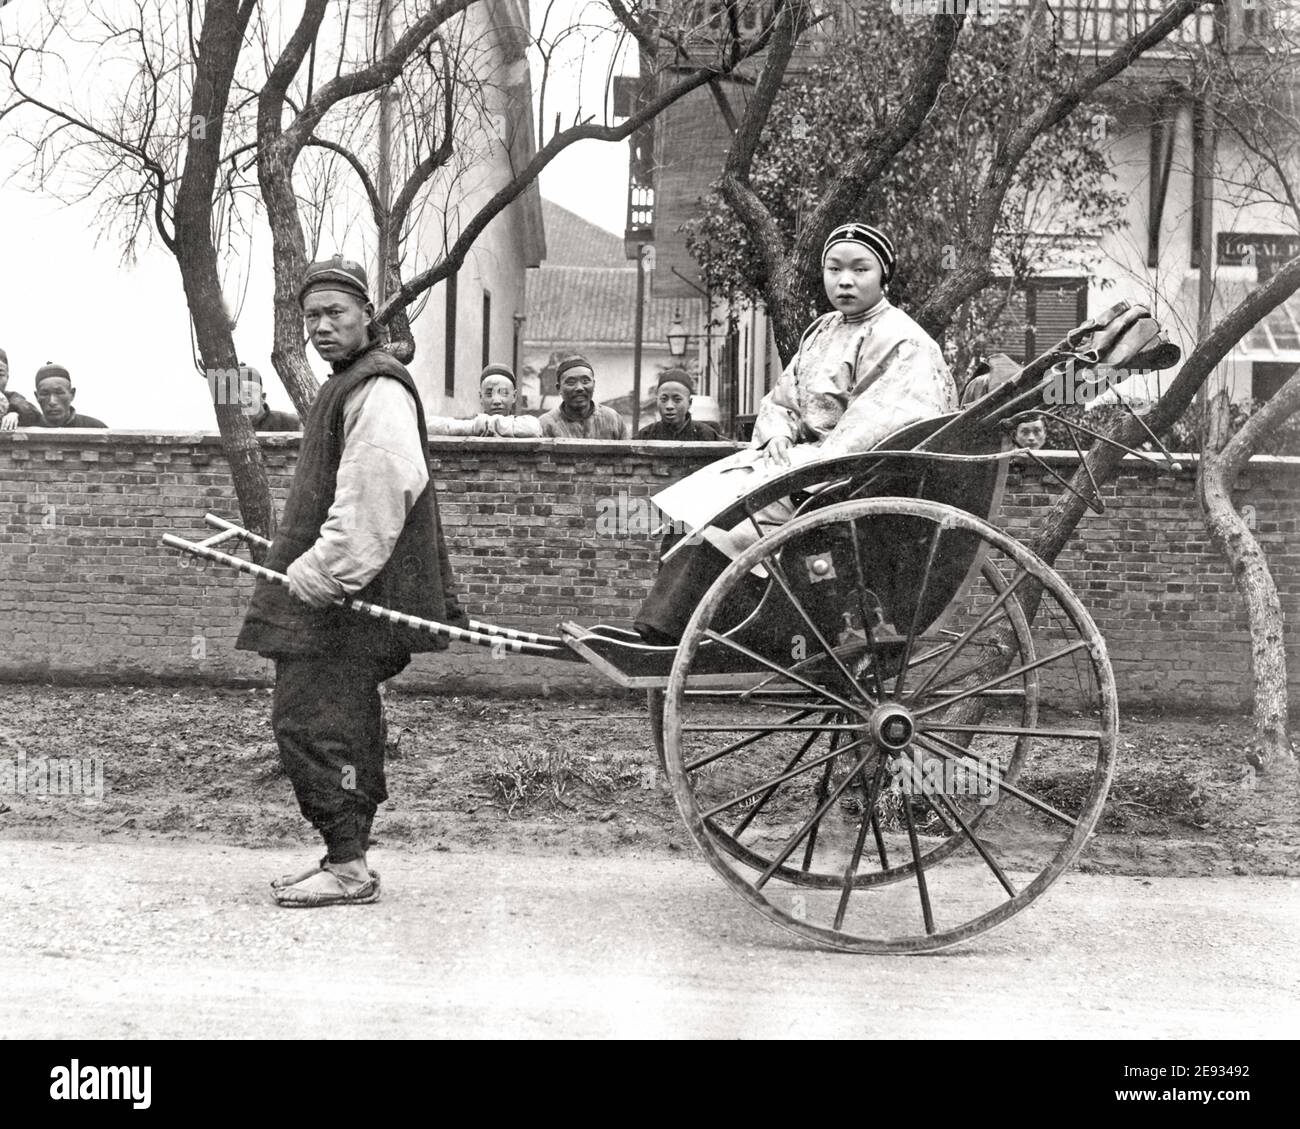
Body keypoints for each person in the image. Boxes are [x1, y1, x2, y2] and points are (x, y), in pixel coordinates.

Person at [235, 255, 466, 908]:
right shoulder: (347, 383)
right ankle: (347, 857)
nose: (322, 326)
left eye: (336, 312)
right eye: (311, 317)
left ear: (369, 314)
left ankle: (348, 864)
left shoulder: (377, 385)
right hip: (341, 595)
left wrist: (323, 570)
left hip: (343, 595)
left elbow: (380, 488)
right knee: (342, 719)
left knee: (308, 719)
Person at [633, 221, 957, 644]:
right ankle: (672, 632)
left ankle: (700, 636)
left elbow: (877, 425)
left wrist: (812, 467)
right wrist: (779, 434)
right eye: (833, 269)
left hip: (846, 476)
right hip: (798, 459)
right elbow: (783, 399)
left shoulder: (902, 340)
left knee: (725, 525)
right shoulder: (822, 331)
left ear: (883, 277)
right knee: (690, 513)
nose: (844, 280)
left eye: (860, 269)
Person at [425, 364, 542, 437]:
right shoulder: (471, 421)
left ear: (514, 396)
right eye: (489, 393)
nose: (496, 400)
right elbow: (429, 425)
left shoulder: (523, 423)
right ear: (480, 397)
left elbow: (533, 428)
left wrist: (484, 425)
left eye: (504, 393)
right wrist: (477, 425)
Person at [538, 355, 630, 439]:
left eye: (585, 381)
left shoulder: (612, 419)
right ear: (559, 388)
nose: (579, 388)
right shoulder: (546, 424)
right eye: (571, 382)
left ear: (593, 384)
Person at [636, 369, 723, 441]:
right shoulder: (645, 435)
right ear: (657, 401)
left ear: (689, 403)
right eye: (664, 399)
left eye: (677, 400)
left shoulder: (706, 435)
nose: (669, 406)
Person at [33, 363, 108, 428]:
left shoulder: (95, 427)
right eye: (45, 394)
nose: (52, 402)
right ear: (37, 396)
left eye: (59, 393)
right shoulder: (28, 428)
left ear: (72, 394)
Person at [240, 365, 301, 431]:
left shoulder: (290, 422)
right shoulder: (229, 428)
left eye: (250, 392)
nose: (245, 397)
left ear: (263, 397)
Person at [0, 348, 42, 430]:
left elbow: (35, 414)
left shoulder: (13, 398)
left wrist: (16, 413)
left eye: (0, 374)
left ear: (7, 377)